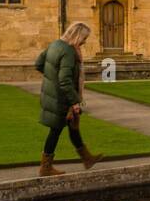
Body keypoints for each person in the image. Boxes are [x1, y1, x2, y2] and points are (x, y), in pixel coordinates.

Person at [34, 22, 101, 177]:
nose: (84, 41)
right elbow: (64, 79)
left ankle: (87, 158)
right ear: (77, 36)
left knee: (73, 126)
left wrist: (52, 78)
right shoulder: (69, 51)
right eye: (84, 38)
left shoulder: (55, 44)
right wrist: (74, 102)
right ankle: (45, 168)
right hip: (61, 98)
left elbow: (39, 64)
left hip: (55, 94)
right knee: (55, 130)